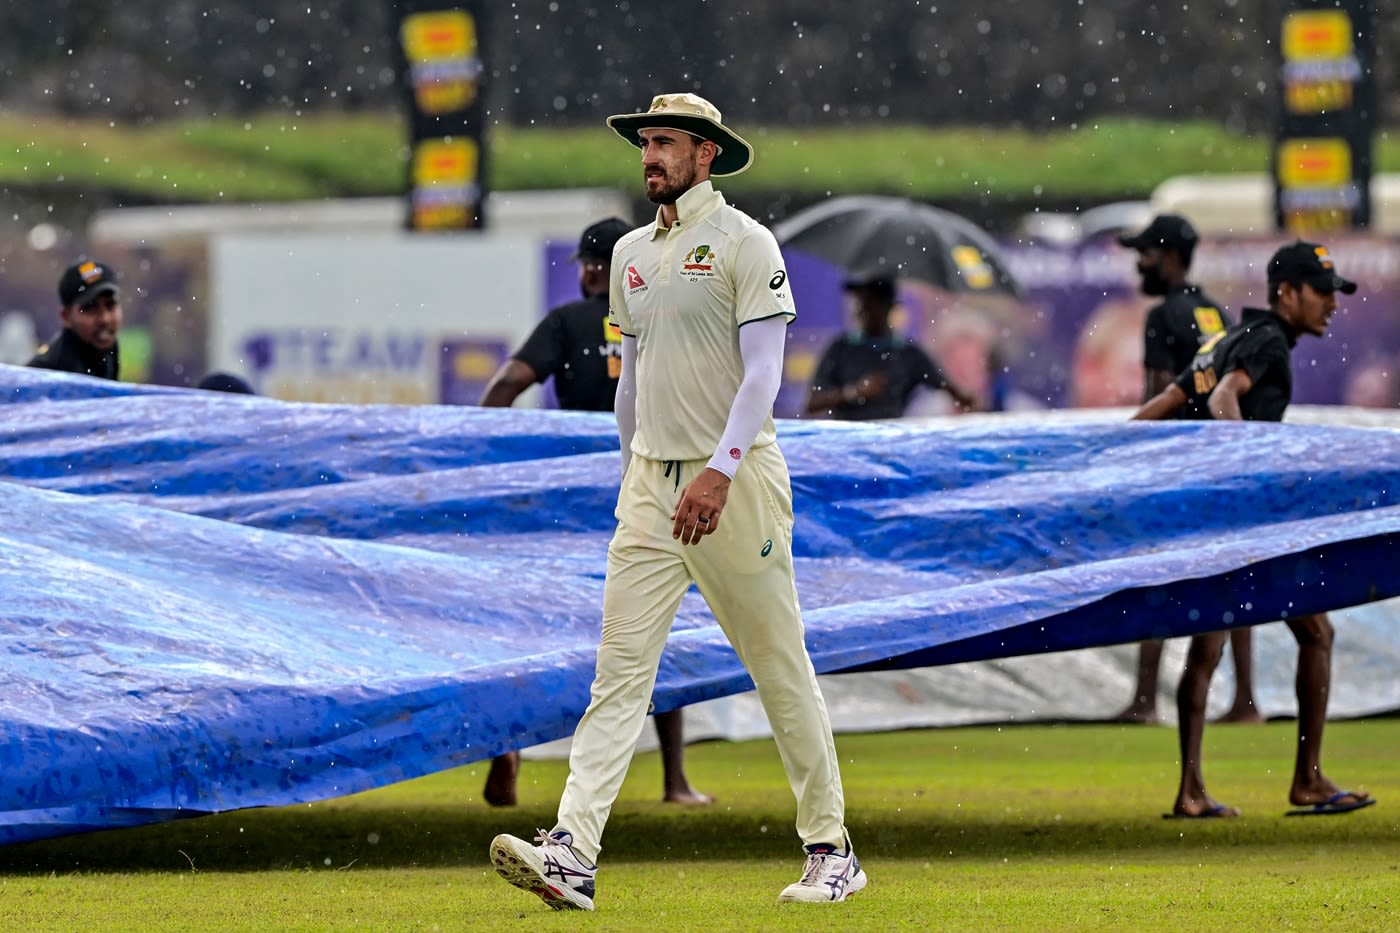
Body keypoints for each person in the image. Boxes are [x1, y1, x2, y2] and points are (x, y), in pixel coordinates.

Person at [489, 92, 866, 910]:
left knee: (777, 664)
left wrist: (720, 471)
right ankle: (573, 854)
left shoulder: (744, 241)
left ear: (706, 154)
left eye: (665, 142)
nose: (650, 154)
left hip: (735, 484)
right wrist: (634, 472)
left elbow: (764, 375)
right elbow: (632, 383)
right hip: (652, 490)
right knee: (617, 677)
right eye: (646, 142)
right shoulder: (629, 253)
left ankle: (831, 847)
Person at [477, 216, 713, 809]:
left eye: (592, 262)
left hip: (564, 512)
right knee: (657, 631)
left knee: (531, 628)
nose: (586, 271)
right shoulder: (662, 318)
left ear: (599, 270)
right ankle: (675, 780)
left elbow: (505, 388)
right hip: (645, 489)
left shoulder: (567, 322)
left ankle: (509, 742)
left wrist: (497, 465)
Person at [1135, 240, 1375, 819]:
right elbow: (1222, 400)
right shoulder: (1269, 342)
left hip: (1205, 517)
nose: (1332, 305)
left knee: (1207, 645)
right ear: (1287, 293)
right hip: (1243, 519)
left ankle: (1191, 790)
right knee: (1316, 636)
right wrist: (1251, 481)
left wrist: (1110, 462)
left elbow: (1167, 401)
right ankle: (1308, 780)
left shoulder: (1225, 339)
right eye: (1322, 292)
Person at [1114, 215, 1258, 725]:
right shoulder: (1214, 312)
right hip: (1219, 465)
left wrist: (1137, 456)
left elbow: (1158, 394)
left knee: (1153, 572)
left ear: (1170, 256)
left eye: (1145, 253)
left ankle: (1146, 700)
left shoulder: (1162, 316)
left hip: (1175, 466)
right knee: (1231, 577)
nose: (1139, 263)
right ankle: (1245, 701)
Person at [804, 271, 975, 419]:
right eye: (860, 303)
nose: (861, 310)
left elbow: (948, 388)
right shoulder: (840, 348)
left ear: (888, 307)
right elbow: (812, 404)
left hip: (889, 444)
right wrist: (854, 392)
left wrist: (969, 400)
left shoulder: (908, 353)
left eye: (869, 304)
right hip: (847, 443)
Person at [28, 258, 123, 380]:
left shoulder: (106, 347)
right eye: (90, 308)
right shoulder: (44, 374)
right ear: (66, 317)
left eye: (111, 305)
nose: (105, 319)